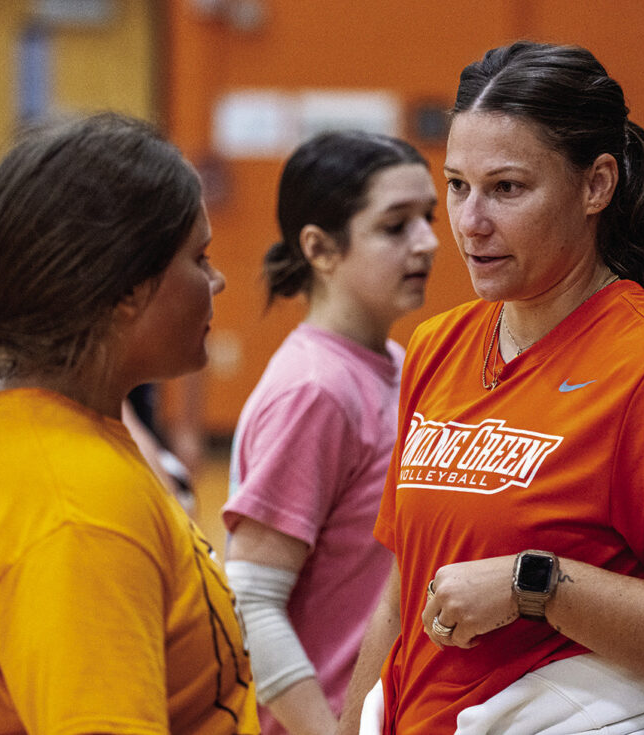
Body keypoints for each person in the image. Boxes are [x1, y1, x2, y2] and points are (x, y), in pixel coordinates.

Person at [337, 41, 644, 735]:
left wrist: (538, 584)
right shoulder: (436, 346)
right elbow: (402, 596)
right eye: (457, 186)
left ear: (596, 185)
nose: (470, 221)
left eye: (507, 188)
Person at [0, 112, 259, 735]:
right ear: (127, 289)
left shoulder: (16, 428)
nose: (217, 280)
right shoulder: (77, 506)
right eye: (198, 259)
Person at [222, 130, 439, 735]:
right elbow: (252, 599)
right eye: (395, 226)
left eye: (427, 217)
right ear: (319, 248)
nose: (428, 241)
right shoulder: (315, 389)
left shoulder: (398, 364)